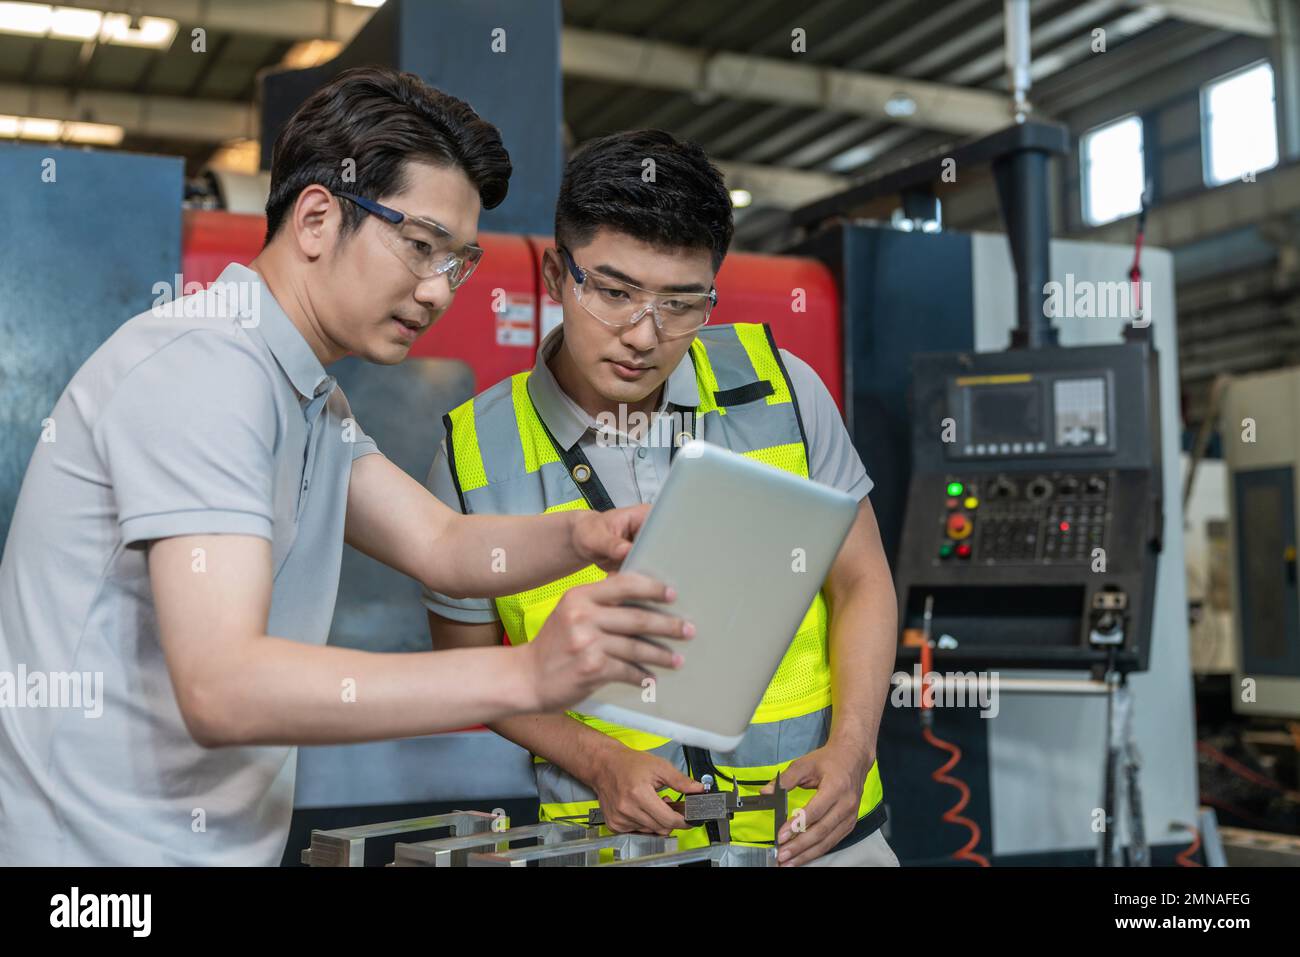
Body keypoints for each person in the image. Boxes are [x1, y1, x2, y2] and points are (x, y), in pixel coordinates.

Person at [0, 68, 692, 866]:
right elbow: (221, 686)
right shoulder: (202, 370)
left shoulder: (305, 395)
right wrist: (527, 673)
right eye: (422, 246)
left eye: (458, 261)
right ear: (319, 218)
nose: (438, 291)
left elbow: (439, 543)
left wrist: (589, 533)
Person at [425, 130, 899, 866]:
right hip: (623, 848)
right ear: (557, 275)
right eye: (614, 292)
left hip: (819, 837)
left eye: (682, 303)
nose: (644, 334)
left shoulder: (781, 390)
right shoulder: (473, 453)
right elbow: (468, 670)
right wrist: (596, 758)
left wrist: (855, 745)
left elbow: (863, 579)